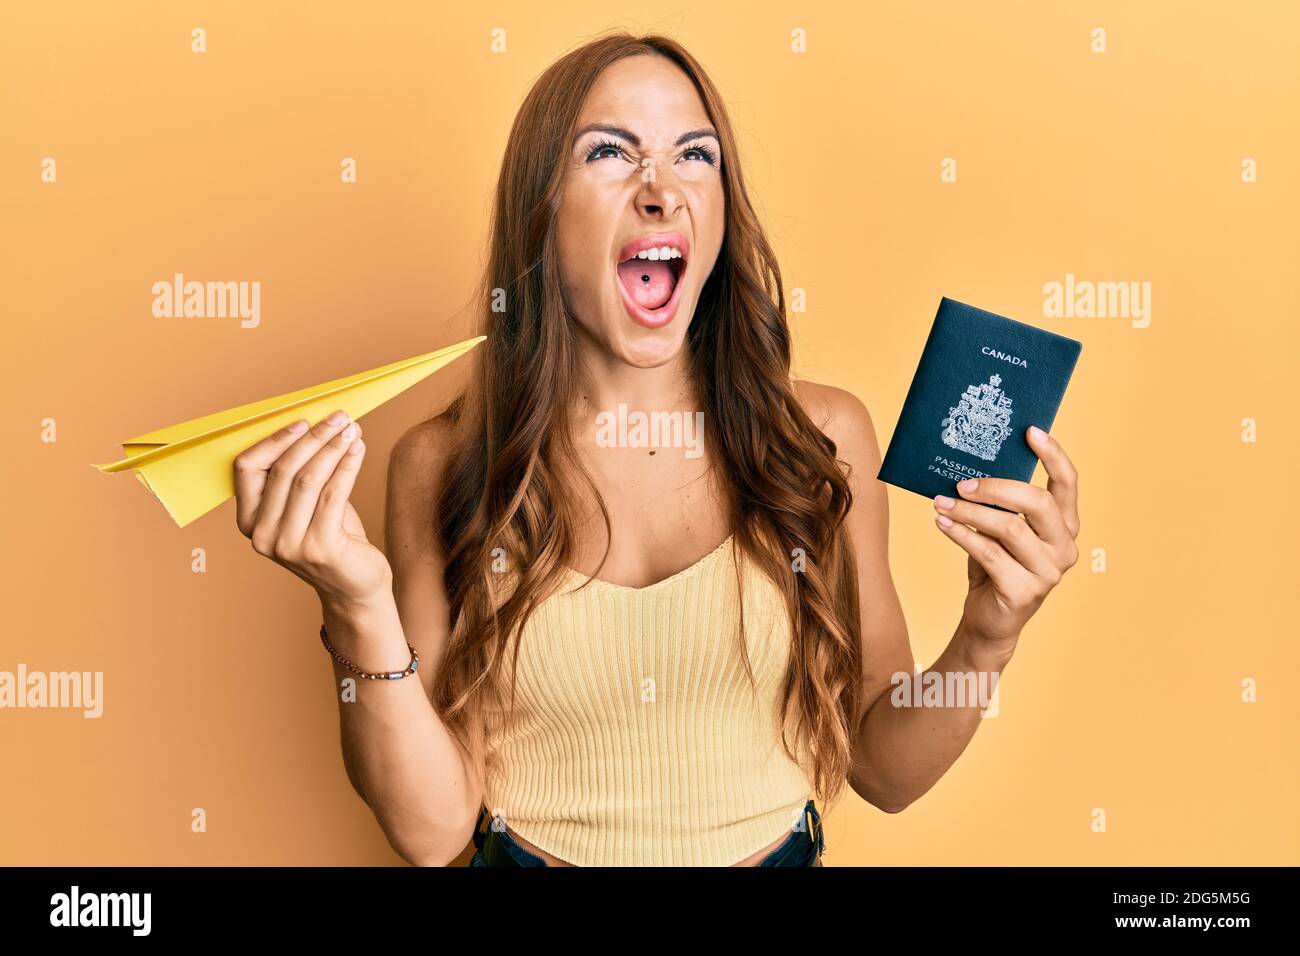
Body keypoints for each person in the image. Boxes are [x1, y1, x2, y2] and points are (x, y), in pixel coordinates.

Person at [231, 32, 1081, 867]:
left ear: (719, 211)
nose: (661, 189)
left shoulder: (820, 439)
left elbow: (886, 771)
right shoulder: (444, 464)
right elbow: (431, 832)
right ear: (541, 208)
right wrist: (357, 604)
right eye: (609, 152)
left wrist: (987, 635)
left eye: (694, 156)